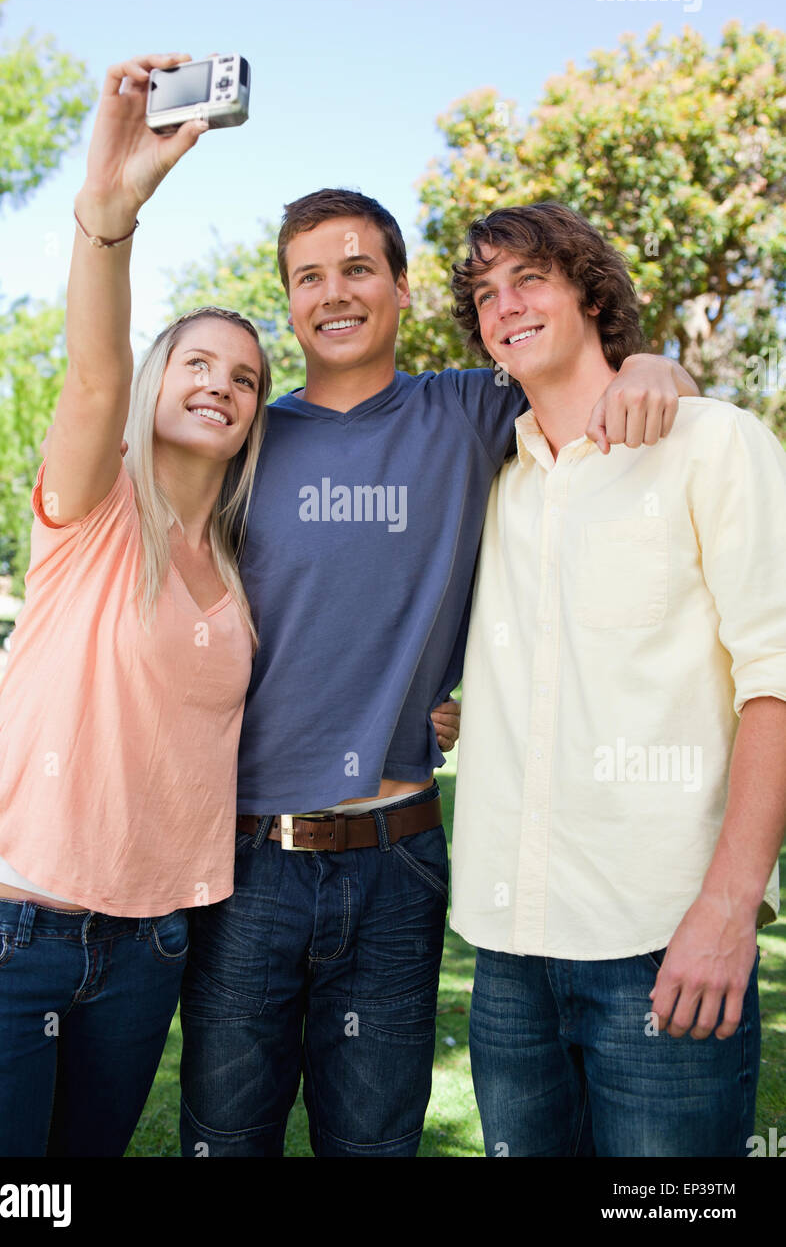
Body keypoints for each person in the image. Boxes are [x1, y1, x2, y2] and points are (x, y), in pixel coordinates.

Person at [178, 187, 700, 1158]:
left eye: (357, 268)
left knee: (374, 1143)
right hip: (243, 864)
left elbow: (581, 374)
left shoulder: (466, 408)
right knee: (221, 1140)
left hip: (396, 863)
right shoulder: (240, 442)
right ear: (287, 301)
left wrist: (653, 362)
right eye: (309, 276)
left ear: (402, 289)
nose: (333, 293)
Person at [0, 52, 272, 1157]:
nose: (219, 382)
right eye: (197, 362)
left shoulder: (238, 564)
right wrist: (108, 216)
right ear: (159, 379)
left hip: (148, 942)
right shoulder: (93, 509)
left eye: (246, 377)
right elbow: (91, 375)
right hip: (2, 922)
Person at [448, 200, 786, 1157]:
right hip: (506, 952)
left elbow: (777, 679)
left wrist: (730, 911)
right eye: (485, 294)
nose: (505, 305)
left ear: (591, 295)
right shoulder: (490, 478)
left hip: (668, 942)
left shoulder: (714, 445)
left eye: (529, 280)